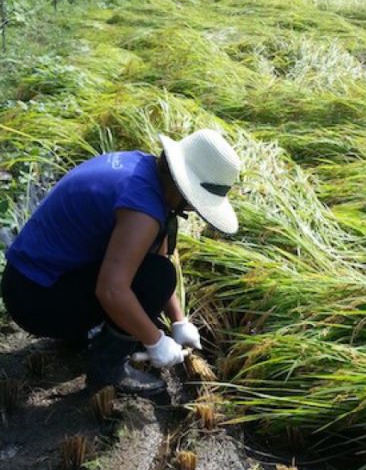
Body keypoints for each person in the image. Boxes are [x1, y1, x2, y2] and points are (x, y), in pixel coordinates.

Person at [0, 128, 241, 395]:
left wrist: (179, 320)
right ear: (184, 189)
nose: (193, 209)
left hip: (29, 282)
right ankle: (107, 370)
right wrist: (155, 341)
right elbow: (112, 289)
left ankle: (78, 334)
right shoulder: (143, 210)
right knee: (155, 280)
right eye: (196, 203)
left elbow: (154, 257)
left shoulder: (142, 170)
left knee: (156, 275)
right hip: (36, 302)